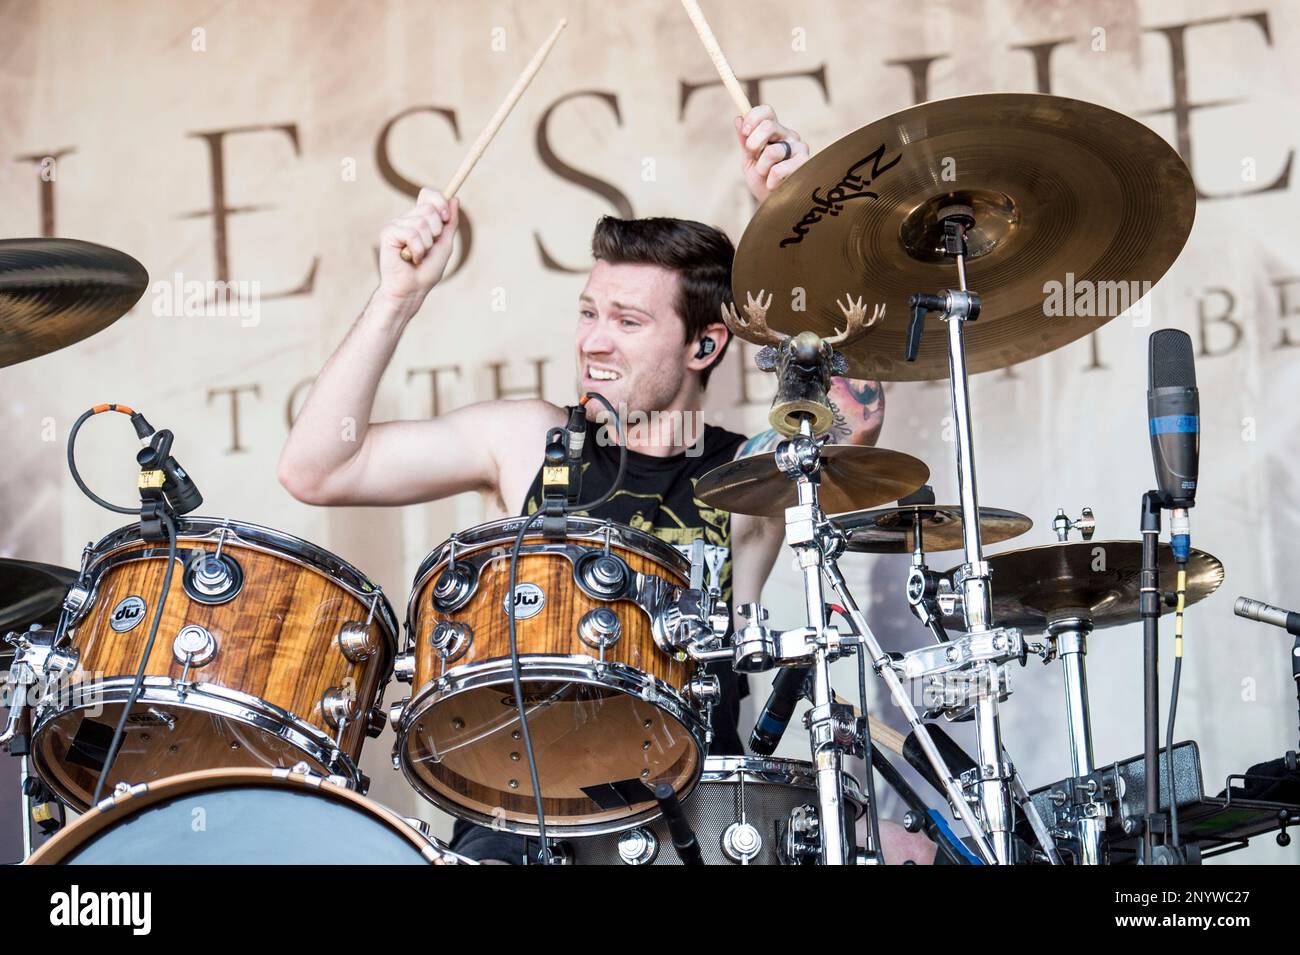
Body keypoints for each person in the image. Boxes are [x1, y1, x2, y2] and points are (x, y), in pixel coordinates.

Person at [278, 105, 935, 865]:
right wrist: (398, 295)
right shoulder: (526, 441)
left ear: (704, 344)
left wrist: (799, 225)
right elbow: (316, 468)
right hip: (524, 815)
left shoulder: (750, 474)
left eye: (627, 321)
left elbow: (854, 420)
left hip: (697, 822)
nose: (592, 340)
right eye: (589, 312)